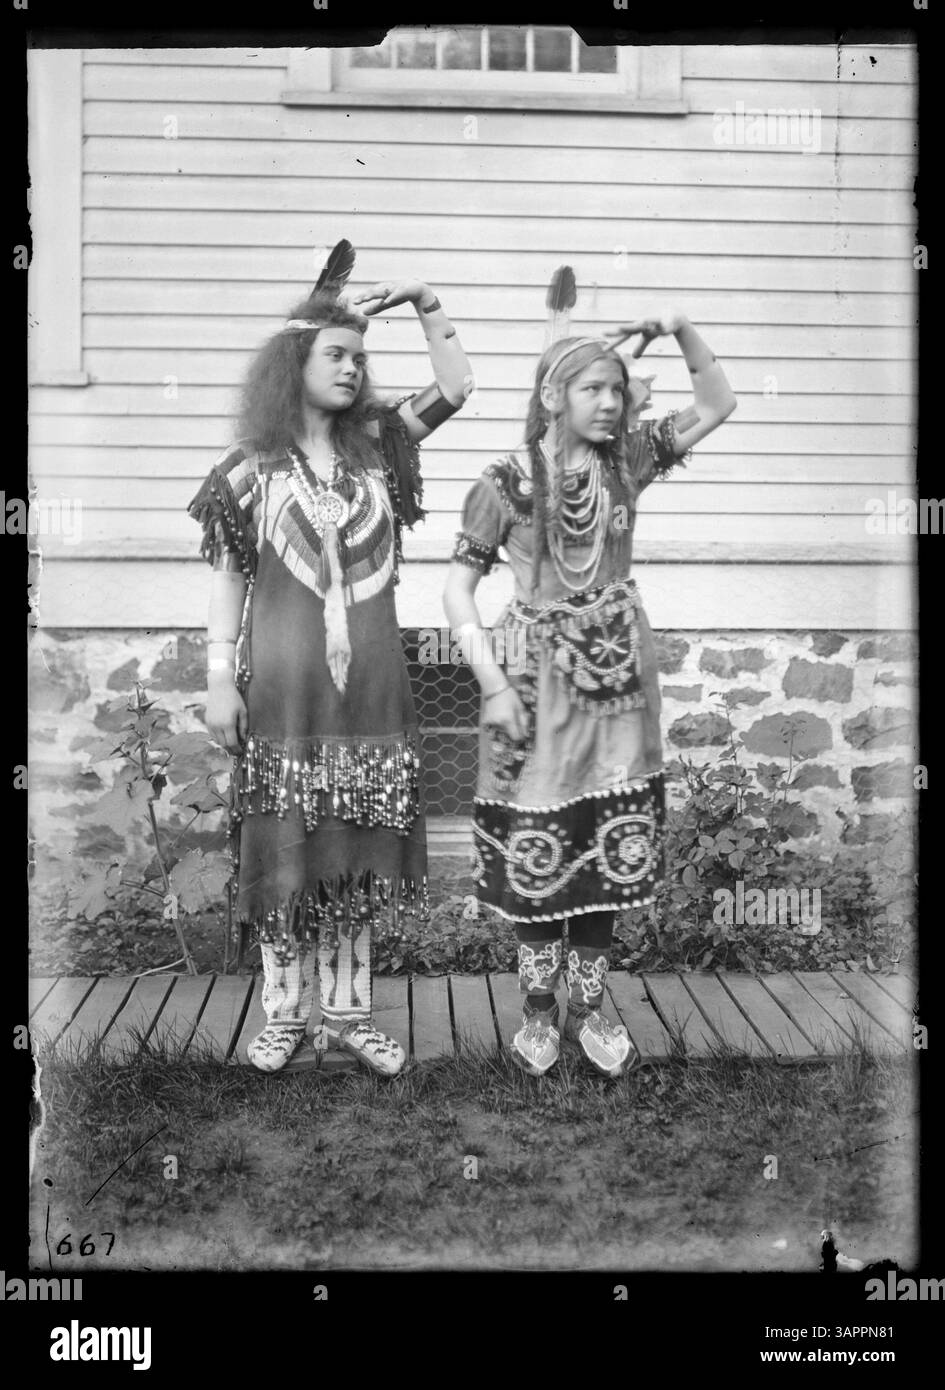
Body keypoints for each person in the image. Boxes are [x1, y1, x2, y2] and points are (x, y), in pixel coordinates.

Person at [188, 242, 471, 1076]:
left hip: (371, 694)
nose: (353, 371)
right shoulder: (249, 472)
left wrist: (426, 300)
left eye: (361, 358)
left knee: (354, 850)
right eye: (336, 355)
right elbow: (230, 577)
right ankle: (283, 1016)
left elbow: (455, 389)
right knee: (284, 848)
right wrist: (215, 679)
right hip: (281, 692)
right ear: (294, 364)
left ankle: (347, 1015)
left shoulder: (380, 448)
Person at [443, 282, 737, 1078]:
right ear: (553, 396)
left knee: (604, 848)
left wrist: (680, 328)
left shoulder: (629, 463)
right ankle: (538, 1015)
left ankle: (588, 1008)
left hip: (615, 683)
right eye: (592, 389)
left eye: (616, 389)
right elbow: (455, 591)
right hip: (529, 683)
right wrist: (490, 684)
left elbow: (718, 401)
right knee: (538, 850)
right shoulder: (503, 483)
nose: (609, 403)